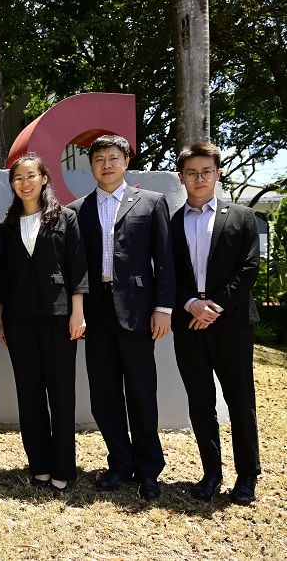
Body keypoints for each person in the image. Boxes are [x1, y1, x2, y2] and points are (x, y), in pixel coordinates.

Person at [67, 134, 175, 500]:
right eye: (99, 159)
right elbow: (74, 266)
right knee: (104, 395)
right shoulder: (76, 209)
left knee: (142, 393)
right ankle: (120, 462)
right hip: (96, 315)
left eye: (113, 157)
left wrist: (163, 308)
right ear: (91, 165)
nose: (107, 164)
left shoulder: (151, 203)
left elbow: (165, 259)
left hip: (139, 313)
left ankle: (148, 469)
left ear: (125, 161)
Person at [171, 142, 260, 504]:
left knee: (240, 401)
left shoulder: (240, 216)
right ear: (182, 177)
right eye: (191, 172)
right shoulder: (173, 222)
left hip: (232, 324)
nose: (199, 178)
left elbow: (249, 267)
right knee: (200, 402)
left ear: (217, 173)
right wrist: (192, 304)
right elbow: (168, 273)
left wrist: (216, 306)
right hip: (189, 325)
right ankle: (211, 473)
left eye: (206, 171)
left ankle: (247, 475)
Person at [0, 154, 87, 493]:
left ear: (44, 178)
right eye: (18, 177)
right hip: (19, 319)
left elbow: (77, 268)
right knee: (29, 394)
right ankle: (40, 465)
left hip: (59, 317)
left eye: (30, 175)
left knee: (61, 394)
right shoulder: (7, 225)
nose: (24, 182)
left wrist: (78, 312)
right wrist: (3, 319)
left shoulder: (65, 218)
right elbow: (4, 278)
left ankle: (64, 465)